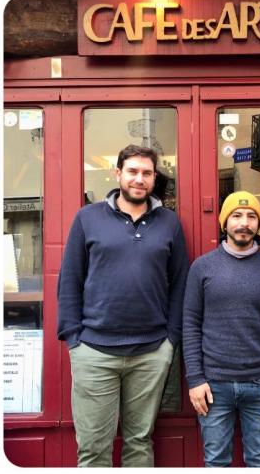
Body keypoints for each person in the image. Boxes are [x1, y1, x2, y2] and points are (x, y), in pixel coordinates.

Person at [57, 144, 189, 467]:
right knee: (93, 449)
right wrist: (74, 340)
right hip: (94, 352)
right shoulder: (87, 218)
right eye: (132, 171)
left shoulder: (169, 223)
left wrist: (170, 340)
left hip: (151, 353)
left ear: (154, 178)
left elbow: (180, 284)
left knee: (140, 443)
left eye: (146, 173)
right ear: (117, 174)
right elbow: (70, 279)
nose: (139, 179)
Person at [182, 191, 260, 467]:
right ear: (224, 222)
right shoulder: (202, 267)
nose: (244, 222)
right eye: (236, 215)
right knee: (216, 462)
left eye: (251, 216)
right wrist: (195, 379)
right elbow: (191, 325)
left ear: (258, 224)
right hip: (213, 385)